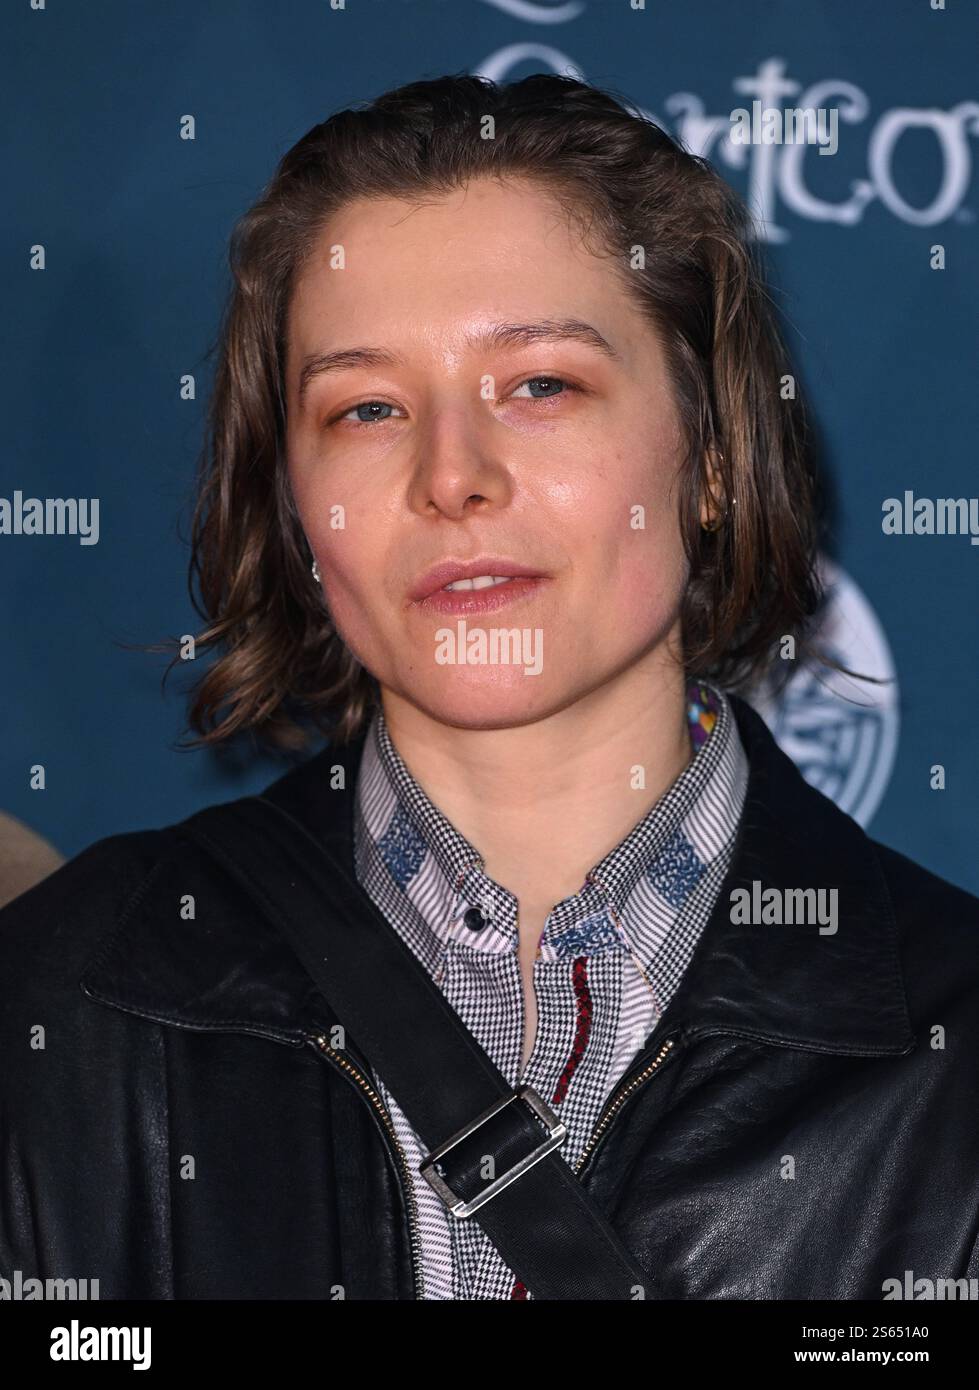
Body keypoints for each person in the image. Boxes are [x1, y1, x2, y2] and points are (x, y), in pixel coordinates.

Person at [1, 72, 977, 1302]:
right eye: (366, 407)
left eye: (540, 385)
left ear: (713, 457)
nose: (450, 475)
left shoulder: (952, 1039)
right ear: (294, 504)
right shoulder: (65, 996)